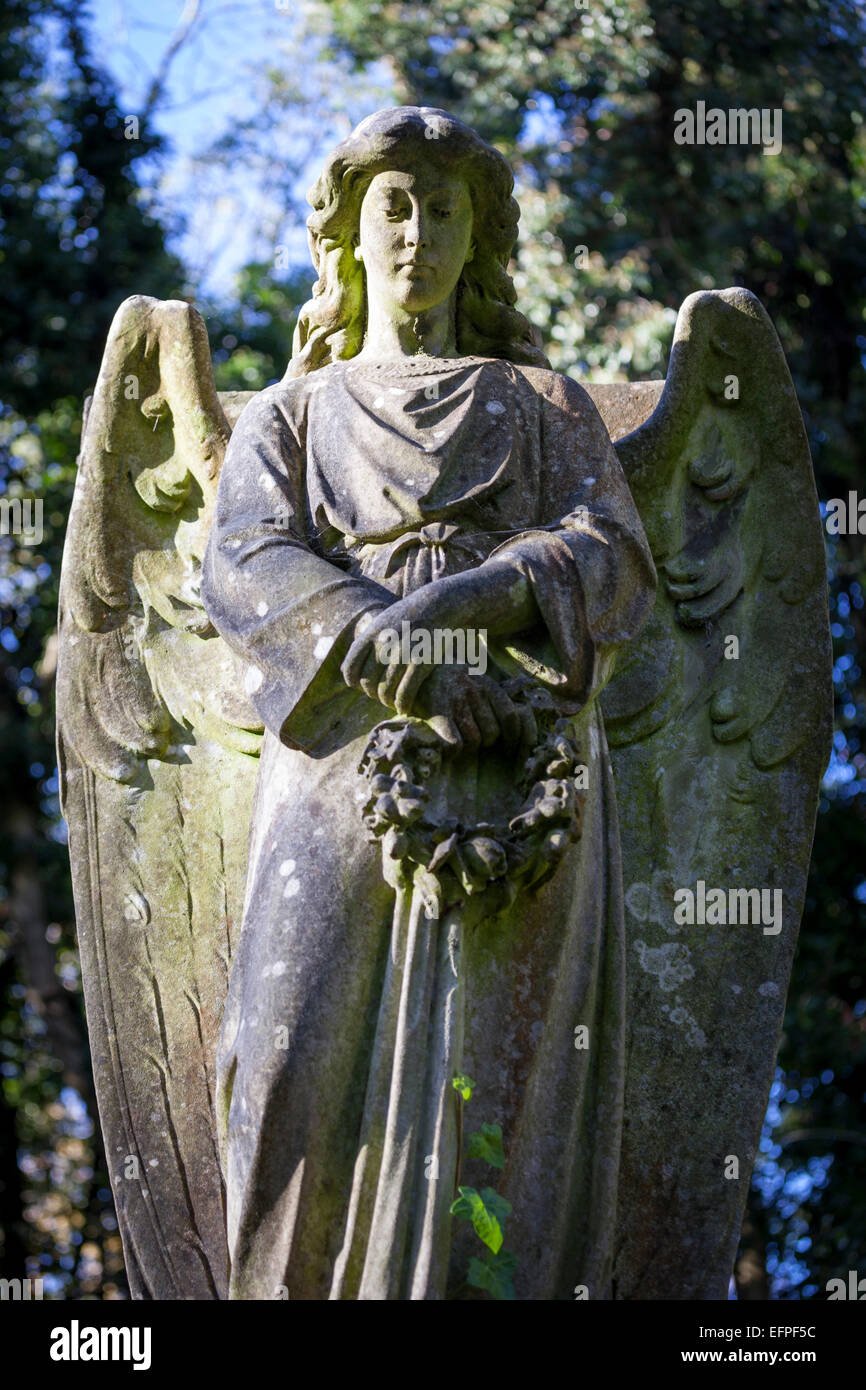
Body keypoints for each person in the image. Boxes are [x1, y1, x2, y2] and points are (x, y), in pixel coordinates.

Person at [202, 105, 656, 1300]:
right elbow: (241, 560)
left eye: (440, 206)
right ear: (348, 232)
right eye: (391, 204)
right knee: (287, 1050)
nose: (415, 230)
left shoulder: (540, 405)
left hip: (518, 759)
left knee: (503, 1070)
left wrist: (485, 595)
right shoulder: (288, 416)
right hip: (337, 748)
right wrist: (375, 635)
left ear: (476, 233)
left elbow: (614, 559)